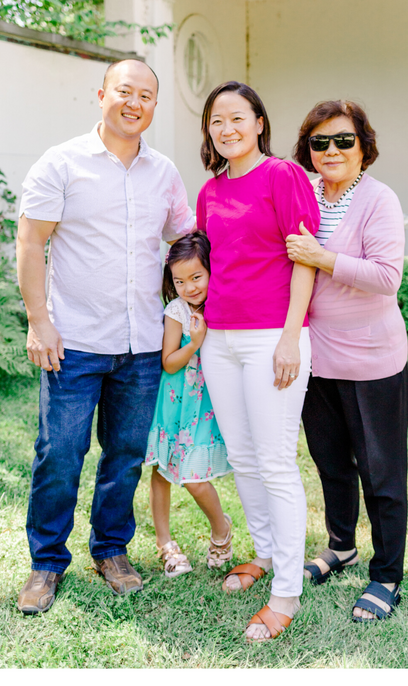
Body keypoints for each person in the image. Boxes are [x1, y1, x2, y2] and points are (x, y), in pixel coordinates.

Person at [16, 59, 195, 614]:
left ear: (154, 106)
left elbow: (185, 242)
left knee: (124, 456)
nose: (133, 102)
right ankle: (46, 564)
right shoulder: (61, 163)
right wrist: (39, 321)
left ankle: (111, 551)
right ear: (102, 95)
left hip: (142, 344)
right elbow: (29, 243)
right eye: (124, 91)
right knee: (61, 453)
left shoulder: (164, 172)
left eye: (145, 95)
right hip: (74, 341)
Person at [194, 81, 320, 641]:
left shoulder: (283, 176)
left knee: (274, 462)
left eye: (237, 118)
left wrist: (291, 336)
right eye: (216, 121)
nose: (226, 129)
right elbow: (208, 264)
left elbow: (305, 259)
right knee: (243, 458)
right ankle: (264, 555)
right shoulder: (210, 191)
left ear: (260, 122)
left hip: (273, 336)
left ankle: (286, 594)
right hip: (219, 338)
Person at [285, 99, 408, 622]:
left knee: (380, 471)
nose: (331, 150)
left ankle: (386, 575)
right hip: (316, 355)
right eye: (320, 142)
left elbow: (387, 276)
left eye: (343, 140)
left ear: (363, 147)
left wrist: (323, 258)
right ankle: (341, 545)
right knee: (331, 461)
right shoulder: (302, 193)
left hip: (371, 358)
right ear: (307, 149)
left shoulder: (379, 200)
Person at [143, 231, 233, 577]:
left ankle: (221, 529)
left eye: (197, 277)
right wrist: (194, 342)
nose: (190, 287)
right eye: (180, 281)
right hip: (174, 402)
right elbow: (169, 362)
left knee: (195, 478)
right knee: (162, 470)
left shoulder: (222, 302)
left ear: (212, 270)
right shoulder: (177, 311)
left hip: (205, 406)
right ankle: (165, 543)